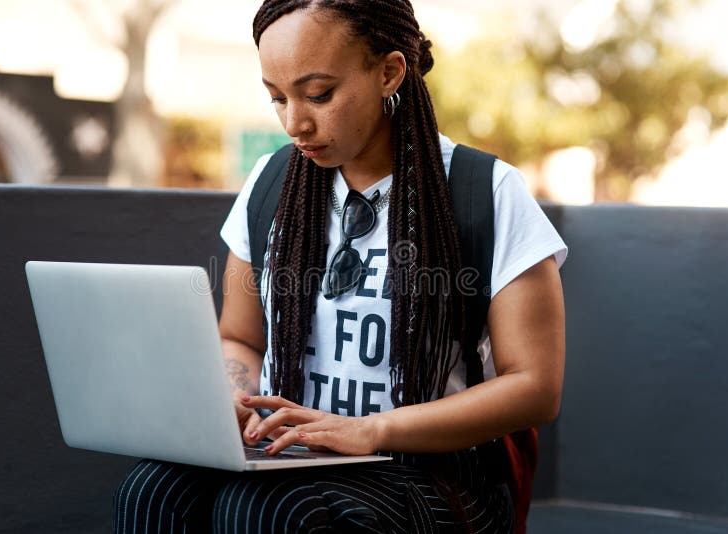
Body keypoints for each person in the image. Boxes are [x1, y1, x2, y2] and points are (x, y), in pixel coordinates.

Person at [113, 1, 567, 532]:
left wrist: (371, 430)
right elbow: (239, 336)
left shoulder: (484, 192)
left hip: (435, 468)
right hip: (298, 453)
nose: (294, 123)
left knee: (268, 510)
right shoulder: (270, 183)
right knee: (150, 491)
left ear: (389, 72)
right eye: (277, 97)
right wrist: (232, 396)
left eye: (318, 95)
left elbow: (535, 386)